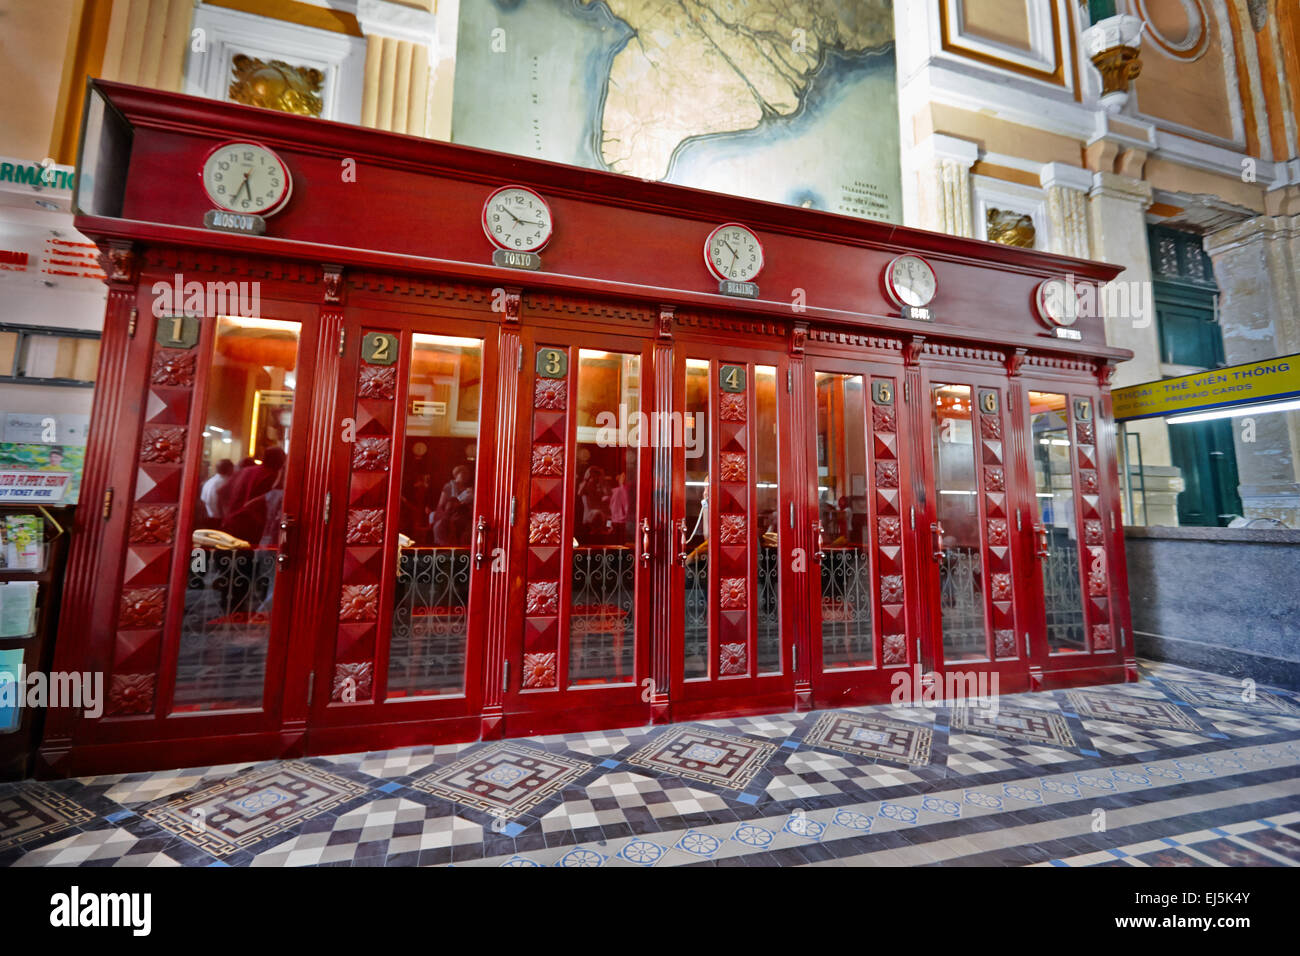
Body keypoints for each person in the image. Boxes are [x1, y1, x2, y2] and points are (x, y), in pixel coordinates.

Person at [223, 447, 286, 519]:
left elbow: (222, 491)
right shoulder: (270, 476)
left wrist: (226, 512)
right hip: (249, 522)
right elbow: (263, 503)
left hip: (232, 518)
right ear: (278, 461)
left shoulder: (245, 470)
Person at [432, 465, 474, 546]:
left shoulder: (469, 490)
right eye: (463, 473)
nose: (465, 476)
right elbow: (441, 504)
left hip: (464, 513)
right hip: (450, 513)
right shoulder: (449, 486)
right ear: (457, 474)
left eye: (467, 474)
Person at [199, 459, 235, 523]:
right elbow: (225, 504)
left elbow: (203, 502)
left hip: (207, 519)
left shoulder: (208, 482)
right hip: (220, 521)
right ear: (230, 469)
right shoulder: (226, 483)